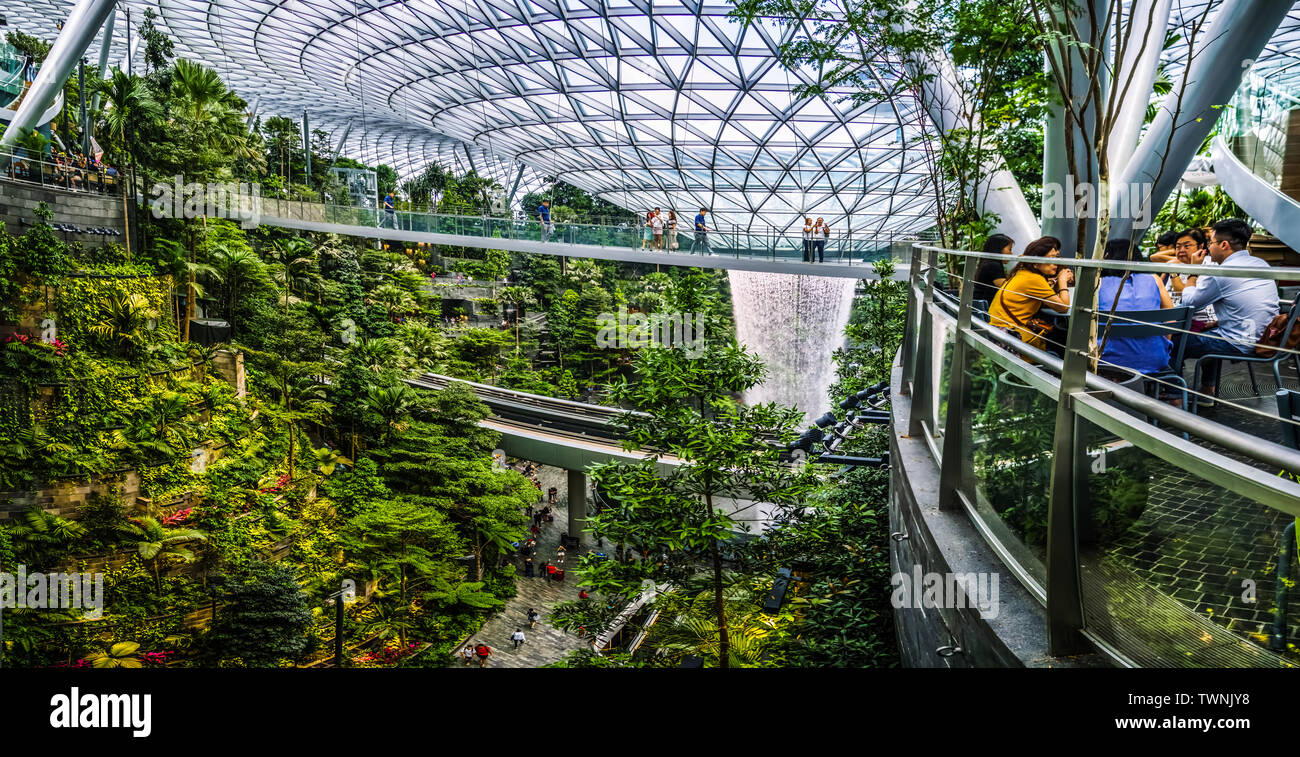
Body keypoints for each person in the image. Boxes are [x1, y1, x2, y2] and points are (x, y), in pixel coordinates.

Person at [1178, 218, 1279, 403]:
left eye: (1211, 242)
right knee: (1208, 332)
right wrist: (1218, 321)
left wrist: (1193, 272)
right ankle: (1207, 389)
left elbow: (1190, 303)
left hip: (1239, 343)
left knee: (1173, 340)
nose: (1208, 248)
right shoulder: (1260, 264)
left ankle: (1171, 395)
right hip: (1265, 338)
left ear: (1224, 245)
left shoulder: (1222, 272)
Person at [1095, 239, 1175, 379]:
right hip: (1155, 359)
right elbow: (1171, 319)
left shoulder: (1097, 283)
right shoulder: (1155, 279)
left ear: (1107, 257)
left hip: (1106, 360)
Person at [987, 236, 1073, 352]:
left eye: (1057, 258)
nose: (1056, 263)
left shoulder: (1022, 273)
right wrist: (1063, 281)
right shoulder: (1034, 279)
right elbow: (1063, 308)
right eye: (1052, 258)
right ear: (1036, 262)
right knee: (1060, 342)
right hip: (1009, 335)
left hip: (997, 330)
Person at [1156, 228, 1209, 295]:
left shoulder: (1208, 266)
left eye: (1186, 246)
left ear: (1201, 246)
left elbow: (1186, 295)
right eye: (1178, 246)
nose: (1181, 250)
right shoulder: (1179, 264)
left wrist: (1173, 272)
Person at [972, 233, 1015, 306]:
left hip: (980, 306)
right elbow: (1007, 288)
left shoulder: (987, 263)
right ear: (998, 249)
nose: (1011, 253)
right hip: (986, 308)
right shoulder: (993, 266)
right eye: (1009, 249)